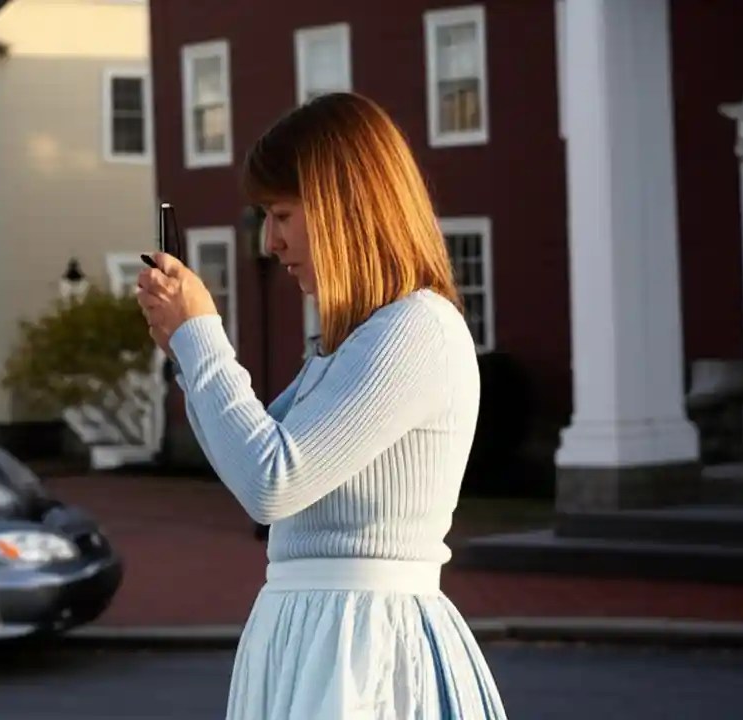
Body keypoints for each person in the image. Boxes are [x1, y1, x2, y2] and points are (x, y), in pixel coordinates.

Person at [136, 92, 508, 719]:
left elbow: (271, 481)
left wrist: (202, 336)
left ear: (347, 207)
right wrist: (185, 348)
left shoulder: (417, 328)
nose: (270, 242)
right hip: (318, 637)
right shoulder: (352, 344)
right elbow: (246, 452)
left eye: (281, 214)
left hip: (364, 651)